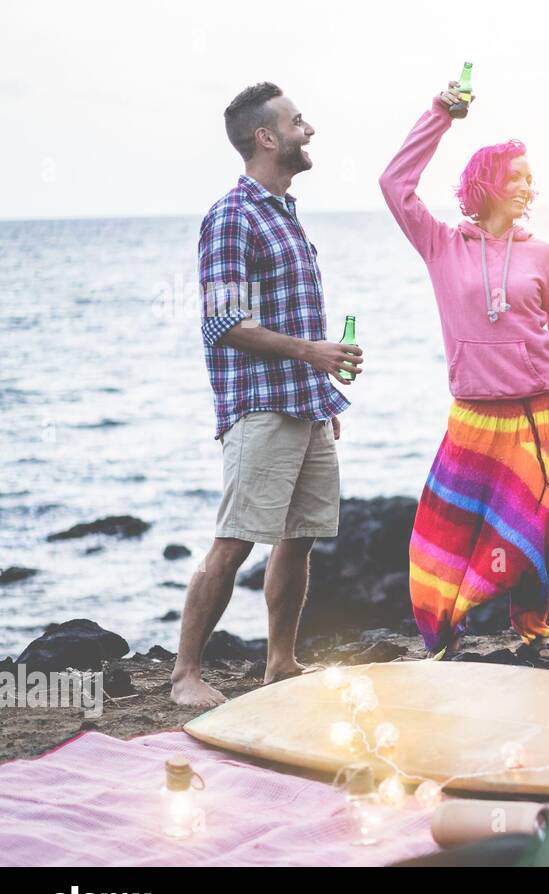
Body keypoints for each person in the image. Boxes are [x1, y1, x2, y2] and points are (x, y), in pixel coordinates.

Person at [380, 80, 549, 661]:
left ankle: (532, 626)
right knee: (446, 533)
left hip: (542, 413)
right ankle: (443, 633)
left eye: (530, 178)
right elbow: (394, 185)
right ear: (485, 184)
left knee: (539, 533)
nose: (527, 186)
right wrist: (440, 114)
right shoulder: (440, 245)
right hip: (476, 419)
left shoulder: (542, 255)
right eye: (516, 177)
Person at [172, 82, 361, 707]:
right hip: (259, 409)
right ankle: (185, 675)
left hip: (305, 405)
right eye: (298, 121)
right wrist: (314, 354)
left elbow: (288, 319)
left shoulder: (283, 211)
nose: (309, 131)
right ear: (267, 137)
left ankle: (280, 663)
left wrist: (320, 387)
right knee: (235, 540)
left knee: (299, 537)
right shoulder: (233, 216)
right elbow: (224, 324)